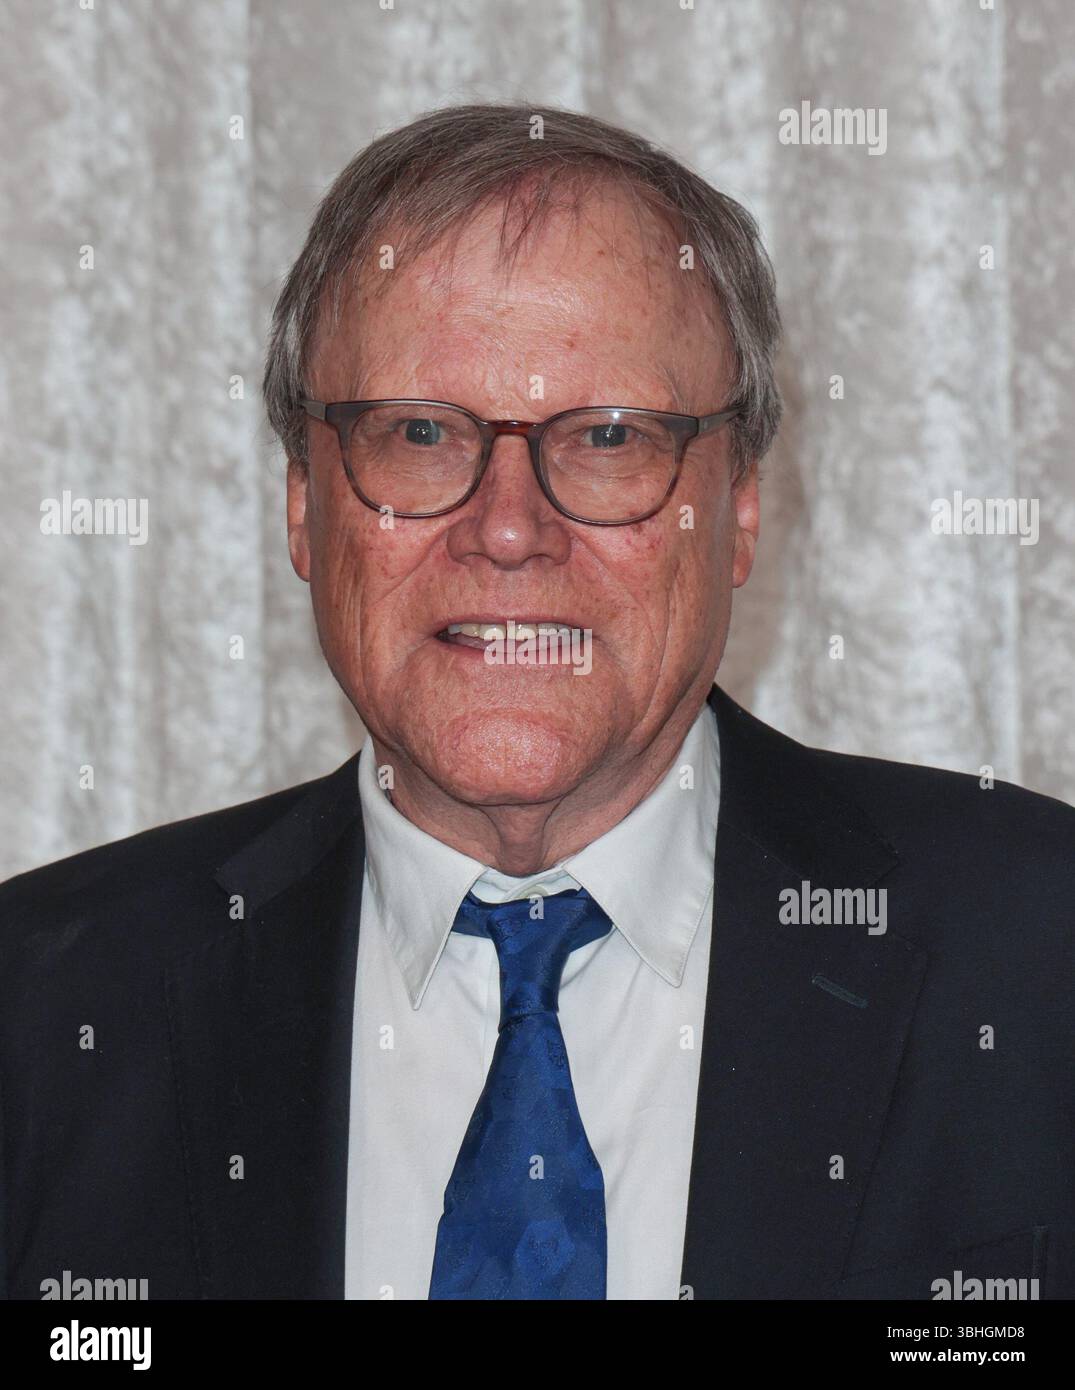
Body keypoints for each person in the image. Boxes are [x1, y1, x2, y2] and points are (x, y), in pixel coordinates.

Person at [2, 103, 1071, 1301]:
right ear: (304, 502)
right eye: (418, 432)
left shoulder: (1041, 962)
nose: (508, 527)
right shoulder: (42, 1015)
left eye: (609, 438)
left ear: (742, 507)